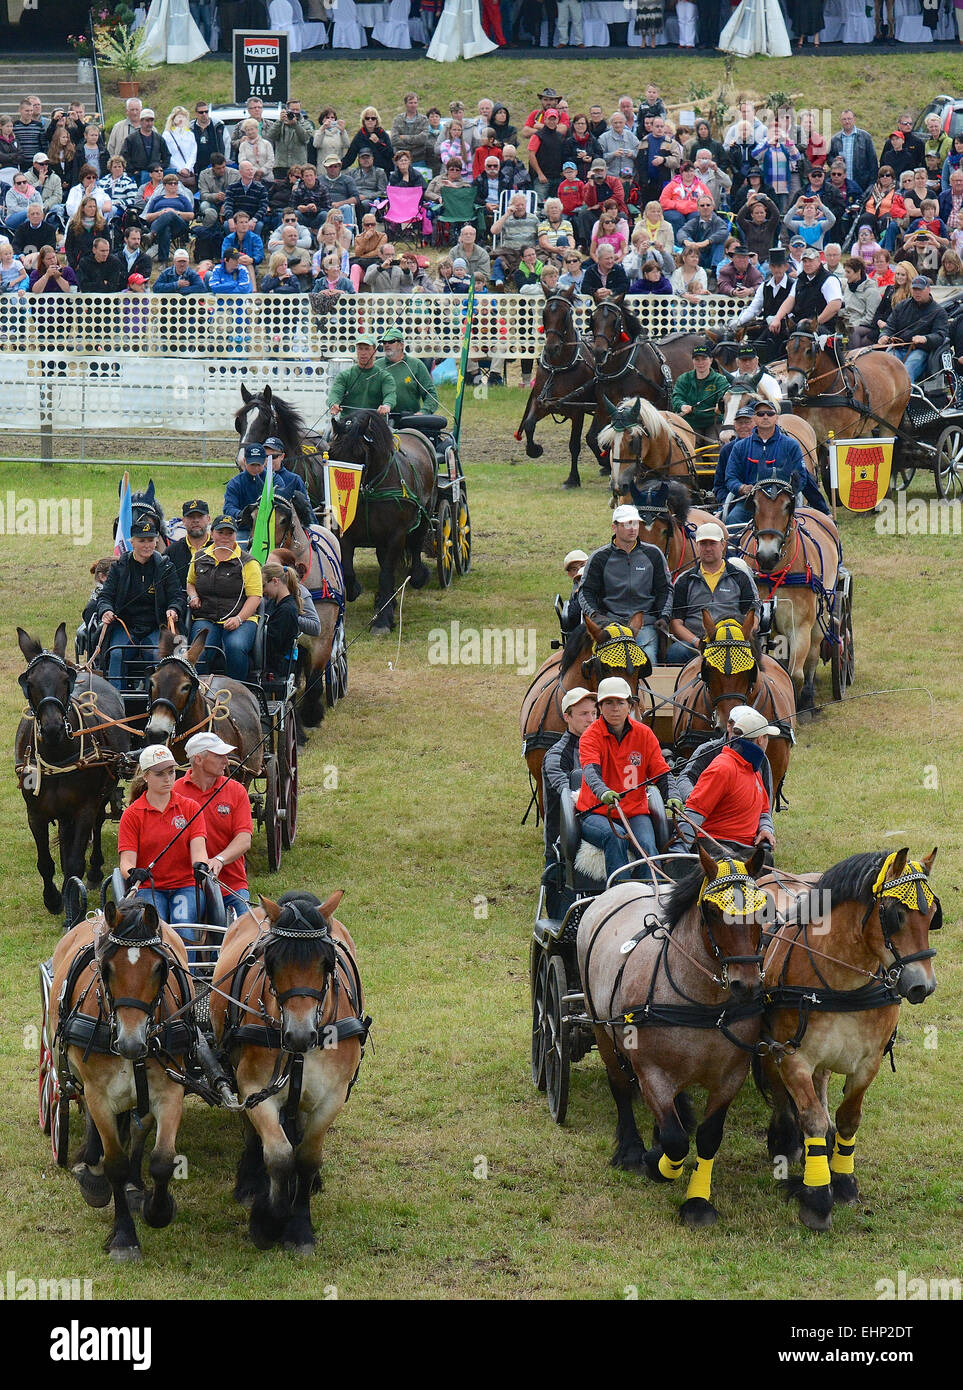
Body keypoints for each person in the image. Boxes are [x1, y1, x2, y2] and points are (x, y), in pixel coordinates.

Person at [575, 677, 670, 880]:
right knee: (614, 837)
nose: (614, 708)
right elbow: (591, 772)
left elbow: (661, 771)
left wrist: (672, 794)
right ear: (600, 707)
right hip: (596, 813)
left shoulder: (645, 734)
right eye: (608, 703)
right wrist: (603, 792)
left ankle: (650, 892)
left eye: (620, 702)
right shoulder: (590, 736)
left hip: (635, 812)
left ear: (630, 705)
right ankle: (621, 897)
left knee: (646, 844)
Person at [118, 744, 209, 938]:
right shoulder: (132, 815)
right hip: (149, 888)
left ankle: (187, 969)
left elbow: (199, 851)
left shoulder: (191, 808)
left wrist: (201, 865)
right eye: (160, 774)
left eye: (171, 772)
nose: (168, 779)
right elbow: (126, 862)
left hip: (186, 885)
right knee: (154, 929)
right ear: (145, 776)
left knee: (183, 928)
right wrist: (133, 873)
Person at [97, 515, 185, 689]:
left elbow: (177, 596)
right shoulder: (119, 567)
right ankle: (117, 700)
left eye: (151, 540)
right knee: (116, 653)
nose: (147, 545)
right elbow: (105, 596)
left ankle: (154, 701)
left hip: (155, 627)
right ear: (132, 543)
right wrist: (106, 610)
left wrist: (174, 609)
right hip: (125, 626)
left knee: (157, 654)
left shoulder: (166, 566)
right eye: (142, 540)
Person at [579, 504, 671, 665]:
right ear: (614, 527)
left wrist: (664, 616)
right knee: (606, 664)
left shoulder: (654, 554)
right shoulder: (599, 557)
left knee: (647, 660)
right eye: (626, 524)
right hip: (610, 624)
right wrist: (595, 615)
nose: (632, 528)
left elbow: (665, 589)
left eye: (635, 523)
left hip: (645, 625)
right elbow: (585, 591)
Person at [680, 705, 777, 854]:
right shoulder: (723, 767)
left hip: (745, 847)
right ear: (760, 739)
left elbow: (765, 810)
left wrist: (765, 829)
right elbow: (693, 813)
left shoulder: (754, 768)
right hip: (716, 844)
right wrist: (678, 851)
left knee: (765, 860)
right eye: (767, 736)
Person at [178, 732, 253, 918]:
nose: (226, 761)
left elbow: (244, 839)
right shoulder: (174, 792)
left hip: (232, 885)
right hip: (186, 885)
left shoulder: (236, 791)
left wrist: (219, 860)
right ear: (198, 759)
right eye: (219, 756)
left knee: (247, 938)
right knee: (185, 938)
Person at [725, 401, 830, 524]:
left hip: (784, 501)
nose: (765, 417)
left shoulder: (791, 445)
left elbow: (801, 477)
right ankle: (735, 544)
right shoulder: (740, 447)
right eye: (760, 414)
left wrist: (786, 491)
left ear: (777, 417)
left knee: (803, 526)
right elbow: (730, 477)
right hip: (752, 501)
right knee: (733, 520)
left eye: (770, 413)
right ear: (754, 418)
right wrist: (741, 488)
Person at [667, 523, 759, 664]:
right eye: (703, 544)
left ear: (723, 545)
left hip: (734, 642)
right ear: (697, 546)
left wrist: (738, 638)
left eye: (713, 543)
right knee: (675, 652)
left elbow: (753, 615)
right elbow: (676, 623)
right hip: (697, 644)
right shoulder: (684, 580)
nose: (708, 548)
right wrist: (697, 642)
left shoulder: (740, 577)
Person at [186, 513, 262, 679]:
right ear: (212, 533)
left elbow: (255, 596)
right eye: (221, 533)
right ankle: (199, 690)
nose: (225, 537)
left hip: (241, 619)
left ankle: (238, 688)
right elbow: (190, 583)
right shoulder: (199, 557)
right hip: (206, 618)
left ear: (236, 535)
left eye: (230, 533)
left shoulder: (249, 562)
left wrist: (239, 619)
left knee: (234, 646)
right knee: (199, 650)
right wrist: (193, 596)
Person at [542, 686, 595, 869]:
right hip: (563, 847)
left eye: (594, 713)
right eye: (584, 714)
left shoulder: (602, 750)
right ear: (567, 717)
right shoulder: (556, 756)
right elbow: (570, 795)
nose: (591, 719)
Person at [878, 275, 949, 383]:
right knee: (882, 368)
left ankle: (906, 399)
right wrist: (883, 336)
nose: (917, 292)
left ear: (929, 289)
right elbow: (890, 326)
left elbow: (940, 335)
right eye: (915, 289)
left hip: (920, 351)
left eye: (920, 289)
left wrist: (925, 339)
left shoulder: (939, 312)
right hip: (897, 347)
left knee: (907, 371)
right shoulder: (902, 306)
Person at [769, 245, 843, 334]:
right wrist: (777, 318)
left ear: (819, 261)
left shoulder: (829, 280)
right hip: (799, 324)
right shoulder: (800, 280)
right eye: (804, 261)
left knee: (801, 338)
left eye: (811, 261)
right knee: (772, 330)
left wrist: (813, 324)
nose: (807, 264)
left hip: (822, 326)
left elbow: (835, 305)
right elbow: (790, 300)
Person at [328, 335, 397, 419]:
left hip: (375, 423)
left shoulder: (385, 377)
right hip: (348, 422)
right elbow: (335, 393)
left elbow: (390, 394)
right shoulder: (344, 375)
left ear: (374, 351)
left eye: (367, 349)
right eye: (360, 348)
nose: (363, 353)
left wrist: (387, 405)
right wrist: (334, 404)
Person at [671, 345, 729, 440]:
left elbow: (724, 397)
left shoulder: (720, 380)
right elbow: (677, 397)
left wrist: (720, 405)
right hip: (690, 423)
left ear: (711, 360)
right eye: (697, 359)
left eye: (704, 359)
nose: (700, 363)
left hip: (713, 422)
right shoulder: (684, 378)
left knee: (713, 449)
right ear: (693, 361)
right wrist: (682, 406)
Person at [379, 328, 440, 416]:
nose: (387, 345)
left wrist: (423, 412)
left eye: (391, 341)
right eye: (384, 342)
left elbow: (431, 394)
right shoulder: (377, 366)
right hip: (381, 420)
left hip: (409, 420)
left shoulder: (416, 365)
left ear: (401, 345)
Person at [261, 562, 302, 683]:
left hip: (279, 665)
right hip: (273, 659)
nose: (263, 591)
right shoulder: (273, 604)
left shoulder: (287, 610)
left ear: (275, 581)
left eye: (264, 586)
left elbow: (273, 645)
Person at [142, 173, 193, 264]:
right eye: (170, 183)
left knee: (169, 214)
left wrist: (176, 212)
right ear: (164, 186)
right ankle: (163, 261)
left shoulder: (183, 199)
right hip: (160, 224)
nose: (173, 185)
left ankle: (152, 234)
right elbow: (148, 217)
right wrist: (160, 213)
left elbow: (191, 215)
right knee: (165, 229)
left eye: (175, 183)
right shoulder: (157, 199)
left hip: (178, 225)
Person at [828, 111, 879, 193]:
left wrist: (872, 183)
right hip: (842, 185)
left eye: (849, 119)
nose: (847, 121)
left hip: (862, 183)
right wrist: (835, 160)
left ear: (854, 120)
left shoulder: (865, 137)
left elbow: (873, 161)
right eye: (844, 119)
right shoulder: (835, 139)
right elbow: (829, 158)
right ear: (841, 121)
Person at [167, 498, 211, 588]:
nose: (195, 520)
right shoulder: (172, 552)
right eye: (191, 517)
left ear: (208, 519)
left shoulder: (219, 549)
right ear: (183, 521)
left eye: (200, 516)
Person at [842, 256, 883, 347]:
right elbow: (846, 308)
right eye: (845, 271)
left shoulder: (871, 291)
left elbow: (870, 318)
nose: (845, 275)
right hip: (849, 323)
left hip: (867, 327)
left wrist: (853, 324)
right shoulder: (849, 287)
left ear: (858, 272)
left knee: (853, 331)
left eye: (848, 272)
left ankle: (853, 358)